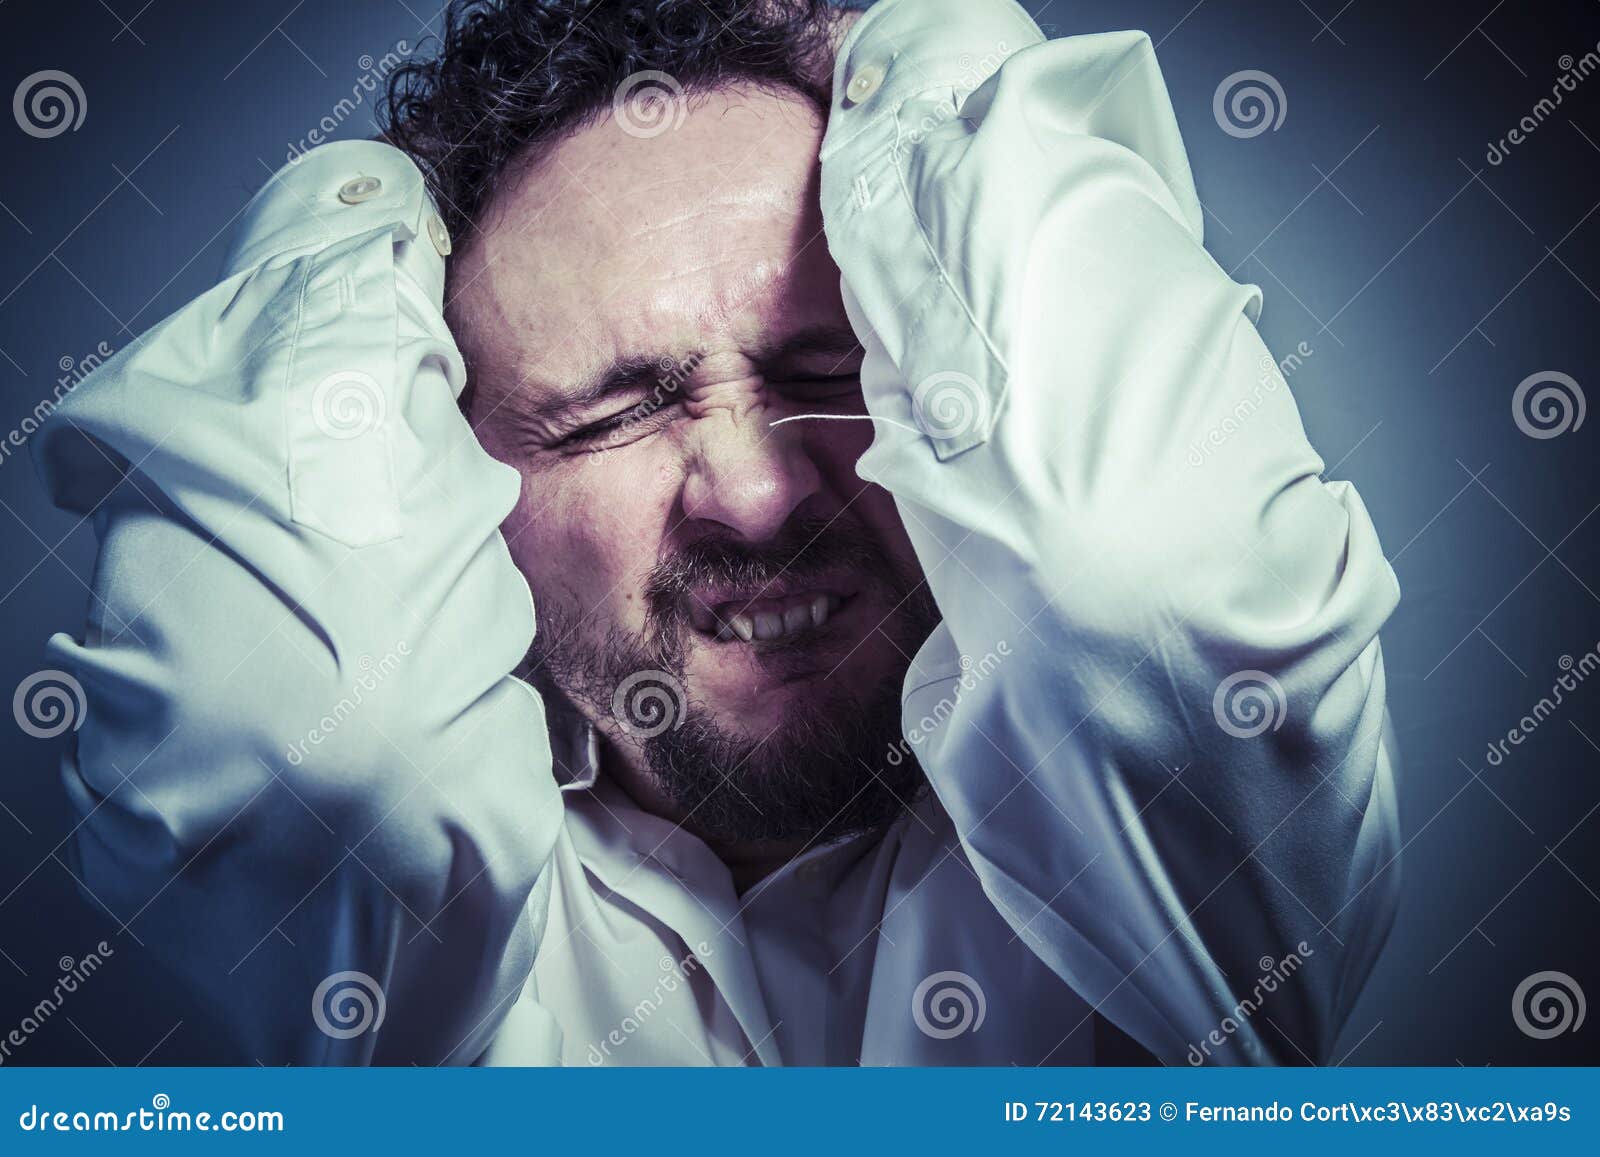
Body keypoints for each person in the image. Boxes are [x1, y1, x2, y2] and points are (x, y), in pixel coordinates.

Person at [32, 0, 1401, 1065]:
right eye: (614, 413)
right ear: (453, 470)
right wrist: (369, 199)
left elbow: (1141, 570)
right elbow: (310, 734)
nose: (756, 495)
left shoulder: (1202, 879)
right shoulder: (390, 951)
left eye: (831, 376)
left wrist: (892, 57)